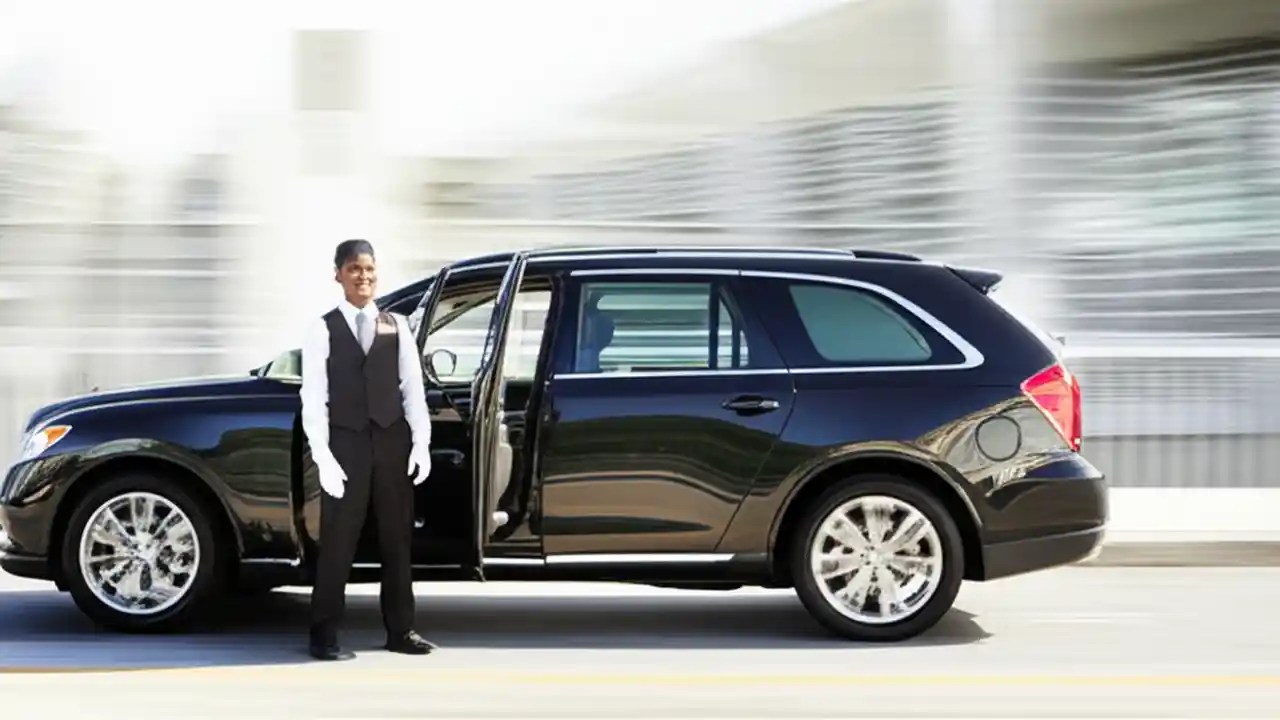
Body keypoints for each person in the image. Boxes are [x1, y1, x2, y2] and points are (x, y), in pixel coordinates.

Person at [300, 239, 435, 660]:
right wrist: (322, 455)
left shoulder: (398, 326)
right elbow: (314, 396)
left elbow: (413, 389)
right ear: (338, 274)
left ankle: (401, 630)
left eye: (370, 269)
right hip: (346, 444)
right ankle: (324, 633)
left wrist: (422, 443)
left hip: (392, 441)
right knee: (339, 541)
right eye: (355, 269)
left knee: (397, 541)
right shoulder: (322, 328)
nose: (364, 276)